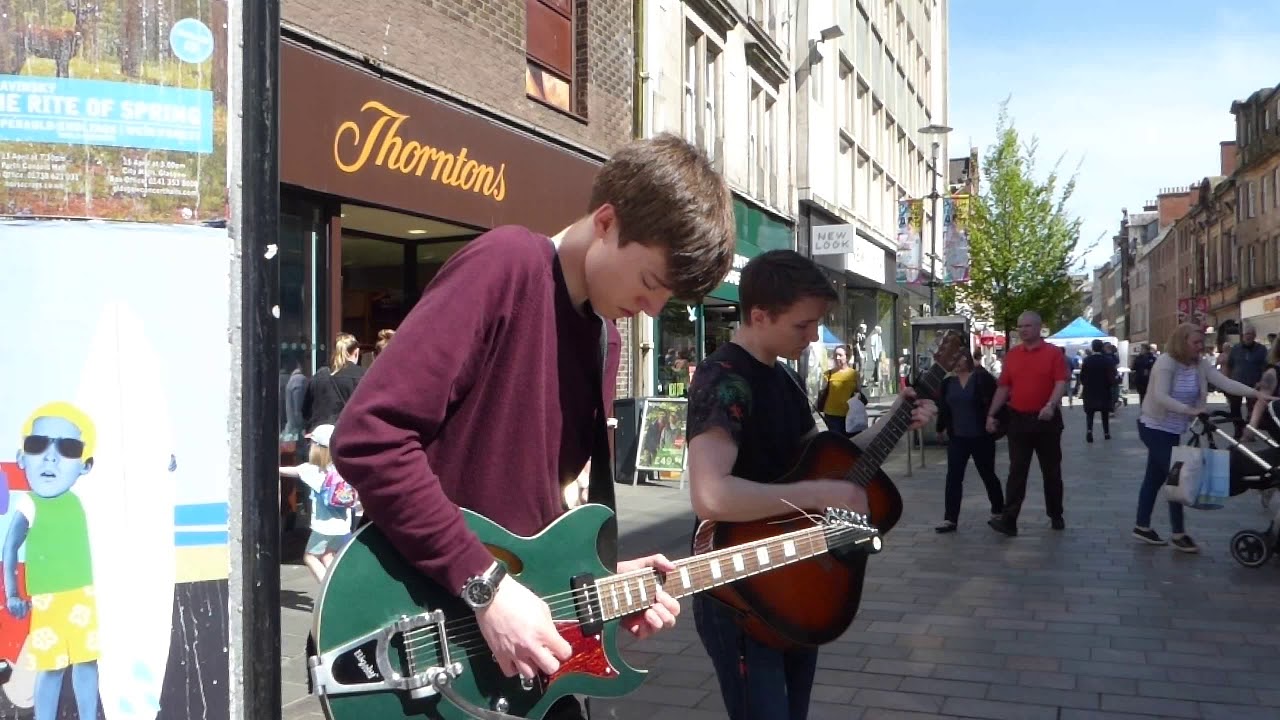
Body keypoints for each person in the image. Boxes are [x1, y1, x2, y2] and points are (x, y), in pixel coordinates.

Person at [329, 133, 735, 719]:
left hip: (511, 660)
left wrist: (594, 581)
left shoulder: (605, 337)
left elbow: (527, 512)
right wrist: (486, 588)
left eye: (665, 299)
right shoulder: (508, 265)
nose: (650, 308)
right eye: (649, 282)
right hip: (430, 644)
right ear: (605, 221)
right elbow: (370, 437)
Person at [684, 250, 937, 720]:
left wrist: (896, 423)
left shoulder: (783, 375)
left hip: (795, 581)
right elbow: (711, 495)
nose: (812, 336)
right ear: (760, 316)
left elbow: (823, 460)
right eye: (802, 326)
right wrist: (823, 495)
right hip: (742, 593)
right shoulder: (723, 379)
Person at [1137, 324, 1275, 552]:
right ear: (1182, 342)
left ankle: (1141, 526)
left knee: (1154, 478)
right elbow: (1160, 396)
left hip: (1173, 429)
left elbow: (1224, 382)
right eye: (1196, 343)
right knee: (1177, 477)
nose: (1201, 347)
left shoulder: (1200, 364)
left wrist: (1255, 393)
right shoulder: (1166, 363)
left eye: (1202, 343)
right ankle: (1179, 533)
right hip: (1154, 427)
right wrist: (1189, 411)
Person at [985, 311, 1069, 536]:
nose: (1023, 330)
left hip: (1046, 421)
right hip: (1019, 420)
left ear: (1039, 328)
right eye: (1020, 326)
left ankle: (1055, 513)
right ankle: (1009, 519)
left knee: (1051, 471)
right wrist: (991, 414)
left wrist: (1051, 405)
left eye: (1028, 326)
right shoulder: (1012, 355)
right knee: (1016, 471)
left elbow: (1060, 382)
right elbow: (1003, 387)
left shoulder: (1053, 354)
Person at [935, 350, 1005, 533]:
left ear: (968, 359)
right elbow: (944, 408)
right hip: (958, 437)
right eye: (954, 360)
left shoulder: (982, 379)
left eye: (961, 358)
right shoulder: (948, 383)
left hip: (981, 436)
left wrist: (994, 420)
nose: (958, 363)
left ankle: (998, 510)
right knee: (953, 477)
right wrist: (940, 429)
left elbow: (997, 400)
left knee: (987, 474)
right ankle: (950, 518)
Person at [279, 424, 355, 582]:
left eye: (311, 443)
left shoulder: (314, 471)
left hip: (323, 527)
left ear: (318, 448)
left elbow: (293, 472)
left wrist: (274, 469)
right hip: (343, 526)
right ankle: (339, 586)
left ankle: (327, 592)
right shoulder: (343, 468)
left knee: (310, 557)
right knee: (328, 556)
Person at [1225, 326, 1267, 439]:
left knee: (1252, 411)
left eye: (1250, 334)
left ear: (1254, 336)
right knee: (1235, 409)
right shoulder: (1236, 349)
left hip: (1253, 384)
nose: (1248, 336)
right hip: (1236, 384)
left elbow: (1266, 367)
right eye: (1246, 334)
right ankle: (1238, 431)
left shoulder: (1261, 349)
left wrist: (1261, 381)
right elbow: (1229, 365)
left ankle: (1250, 433)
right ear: (1243, 336)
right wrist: (1227, 381)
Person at [1077, 339, 1118, 442]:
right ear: (1102, 347)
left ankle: (1089, 431)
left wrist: (1086, 384)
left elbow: (1082, 376)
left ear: (1092, 347)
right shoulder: (1107, 360)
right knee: (1104, 413)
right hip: (1104, 390)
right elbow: (1111, 376)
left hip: (1090, 391)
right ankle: (1106, 433)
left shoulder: (1087, 360)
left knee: (1090, 413)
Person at [816, 344, 859, 435]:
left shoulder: (854, 374)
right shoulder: (828, 374)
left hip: (850, 413)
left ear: (847, 357)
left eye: (840, 355)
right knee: (837, 438)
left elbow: (858, 392)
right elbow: (822, 391)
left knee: (851, 440)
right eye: (835, 355)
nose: (837, 358)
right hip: (832, 413)